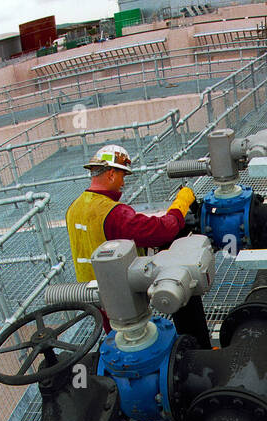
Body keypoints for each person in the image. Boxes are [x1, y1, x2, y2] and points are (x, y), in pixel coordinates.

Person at [65, 143, 209, 343]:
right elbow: (163, 230)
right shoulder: (113, 212)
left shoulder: (75, 206)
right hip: (122, 292)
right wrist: (181, 203)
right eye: (123, 176)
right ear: (111, 174)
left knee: (117, 338)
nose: (123, 183)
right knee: (137, 339)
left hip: (93, 292)